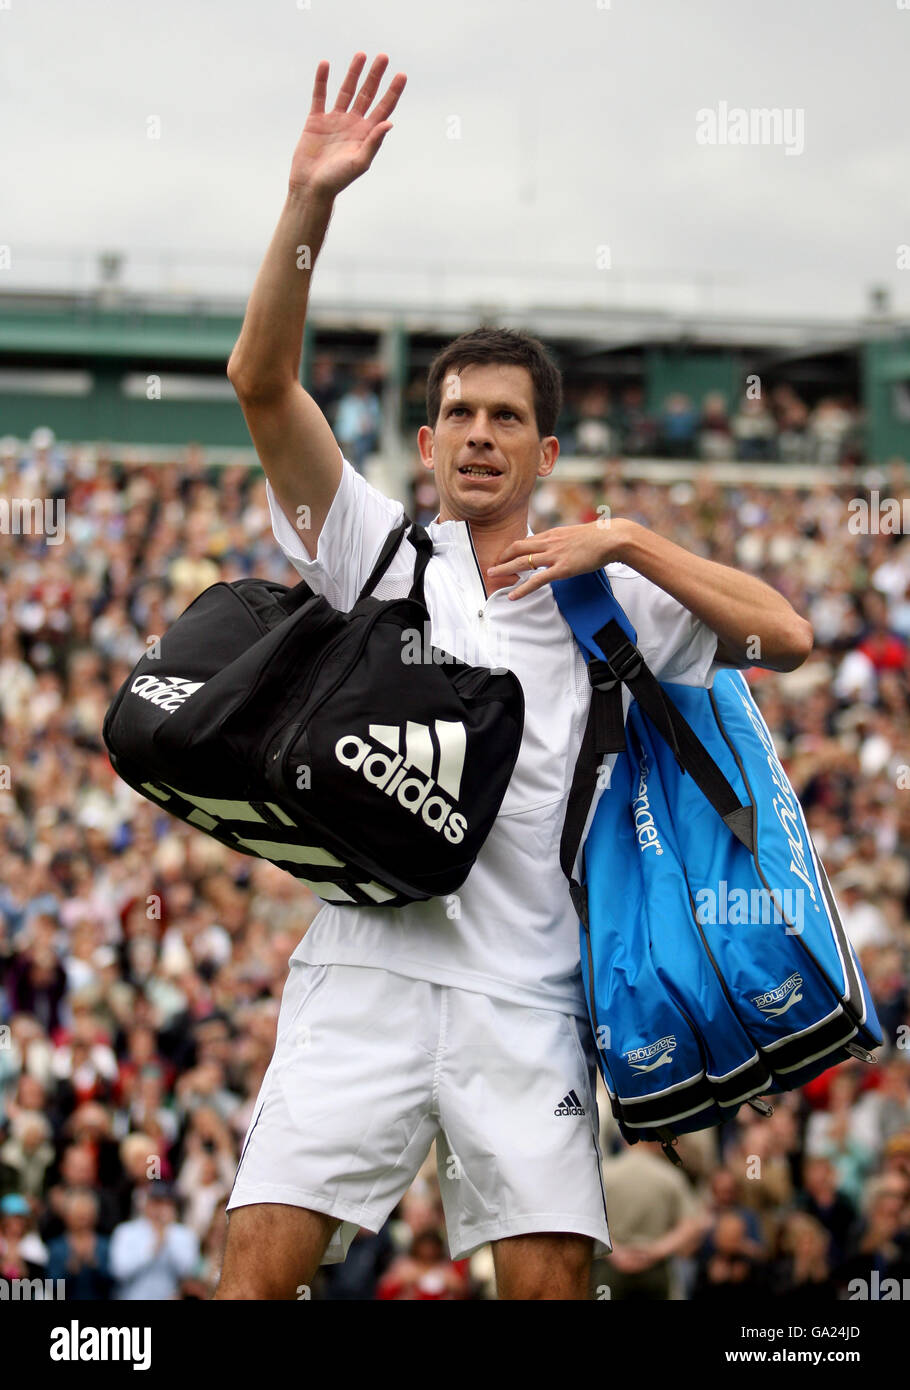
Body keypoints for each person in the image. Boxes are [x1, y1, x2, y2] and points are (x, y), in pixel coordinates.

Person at [216, 50, 813, 1301]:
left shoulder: (613, 592)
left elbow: (788, 636)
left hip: (524, 986)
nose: (479, 435)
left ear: (545, 448)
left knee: (546, 1289)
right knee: (257, 1272)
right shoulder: (372, 550)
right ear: (427, 441)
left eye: (504, 418)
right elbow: (261, 381)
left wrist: (635, 539)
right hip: (364, 975)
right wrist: (310, 203)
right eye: (458, 416)